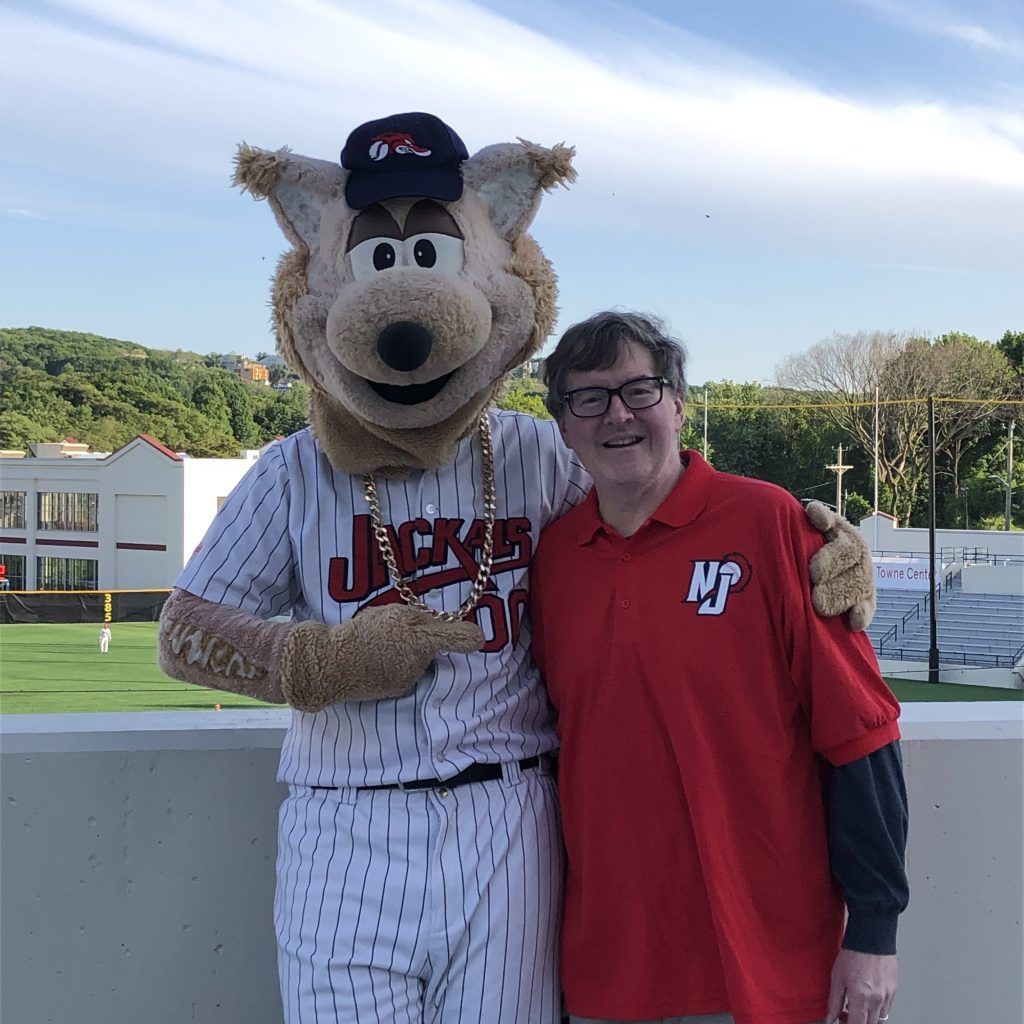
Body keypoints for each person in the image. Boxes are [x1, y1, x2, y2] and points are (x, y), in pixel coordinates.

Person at [531, 312, 909, 1024]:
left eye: (639, 391)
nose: (617, 414)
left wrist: (875, 930)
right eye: (589, 398)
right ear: (564, 426)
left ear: (677, 403)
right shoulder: (554, 560)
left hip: (763, 960)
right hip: (611, 965)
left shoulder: (769, 524)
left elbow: (862, 734)